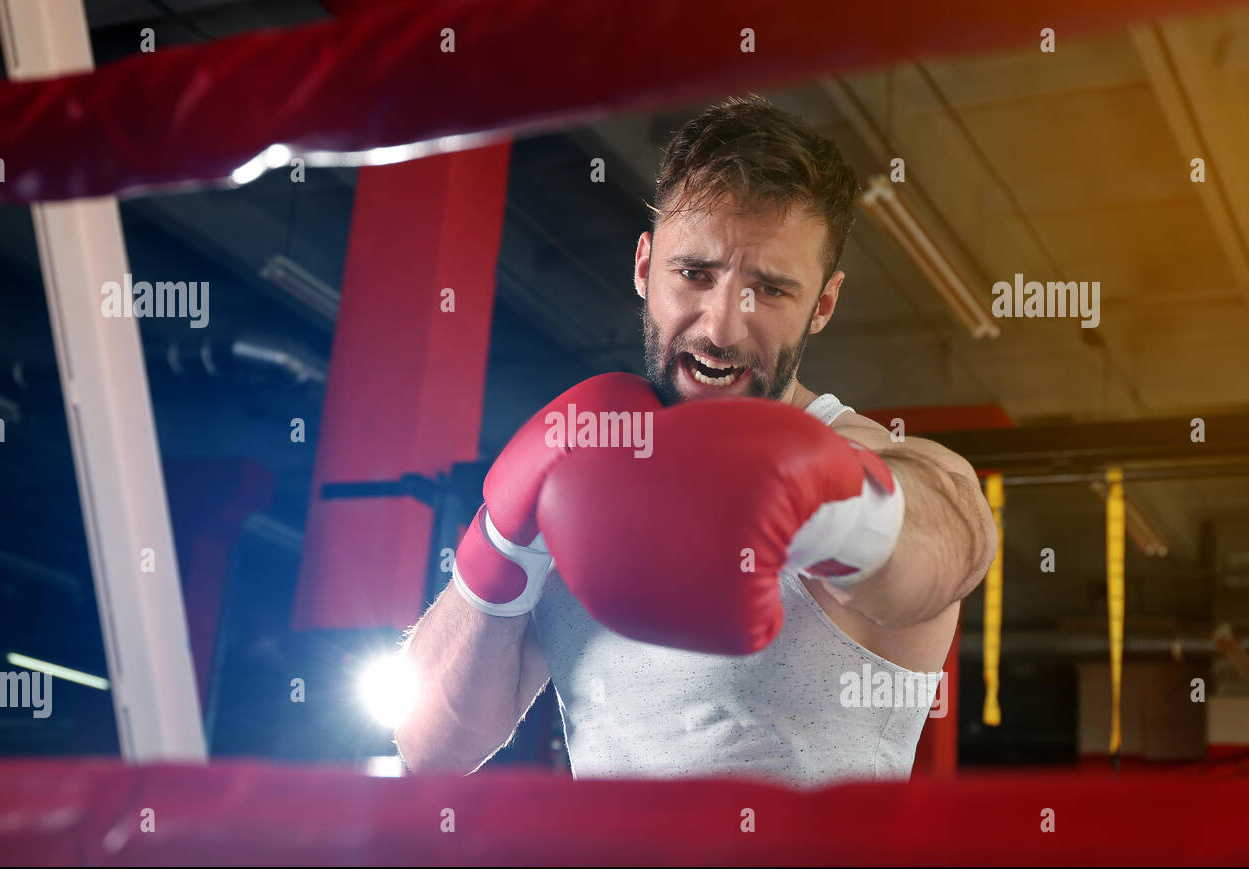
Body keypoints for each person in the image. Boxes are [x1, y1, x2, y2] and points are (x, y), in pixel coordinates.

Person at [395, 94, 997, 787]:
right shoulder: (581, 468)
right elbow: (431, 748)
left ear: (822, 305)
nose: (721, 327)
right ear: (645, 265)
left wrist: (825, 507)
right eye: (695, 274)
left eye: (769, 289)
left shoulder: (862, 455)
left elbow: (954, 538)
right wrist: (502, 548)